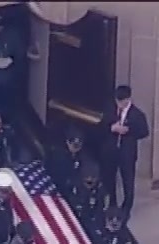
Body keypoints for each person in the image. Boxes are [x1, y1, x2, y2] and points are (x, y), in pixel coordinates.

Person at [99, 85, 149, 214]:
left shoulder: (137, 115)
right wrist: (112, 128)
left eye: (121, 101)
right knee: (109, 178)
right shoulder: (110, 109)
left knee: (128, 180)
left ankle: (126, 207)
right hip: (111, 151)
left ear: (128, 99)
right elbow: (101, 125)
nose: (119, 104)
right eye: (117, 101)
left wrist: (128, 131)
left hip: (127, 153)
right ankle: (112, 203)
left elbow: (144, 132)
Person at [47, 125, 93, 199]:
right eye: (73, 143)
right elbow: (58, 178)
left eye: (79, 144)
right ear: (67, 141)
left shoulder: (82, 157)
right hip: (58, 189)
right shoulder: (58, 156)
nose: (75, 147)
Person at [70, 161, 107, 236]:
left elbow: (99, 210)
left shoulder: (99, 191)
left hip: (91, 224)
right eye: (87, 176)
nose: (89, 180)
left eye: (93, 177)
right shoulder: (75, 187)